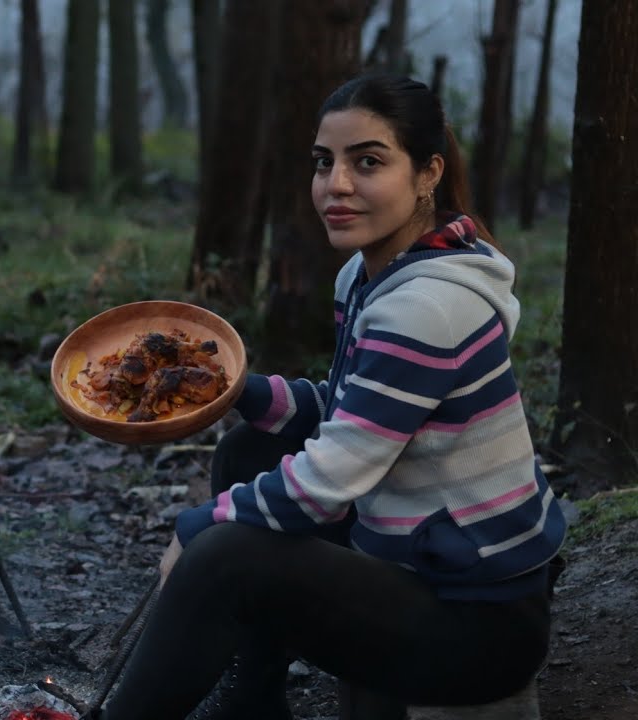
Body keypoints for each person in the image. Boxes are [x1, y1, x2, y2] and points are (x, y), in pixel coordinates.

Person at [99, 75, 567, 720]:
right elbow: (353, 409)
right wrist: (234, 391)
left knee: (225, 556)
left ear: (428, 173)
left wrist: (196, 529)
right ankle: (252, 698)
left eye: (367, 161)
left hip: (477, 623)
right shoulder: (372, 272)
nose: (336, 185)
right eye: (325, 162)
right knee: (251, 448)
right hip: (418, 556)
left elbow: (327, 480)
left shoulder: (428, 305)